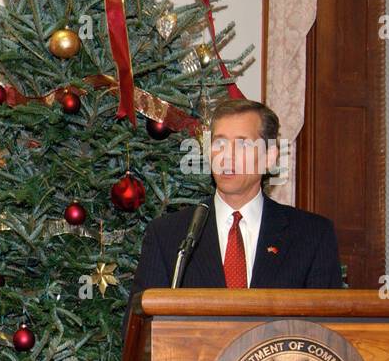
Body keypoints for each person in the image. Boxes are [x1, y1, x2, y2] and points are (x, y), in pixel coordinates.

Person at [128, 98, 342, 301]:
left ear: (269, 157)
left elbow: (325, 331)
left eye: (242, 145)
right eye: (219, 143)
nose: (226, 156)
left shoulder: (312, 236)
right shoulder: (168, 234)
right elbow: (143, 329)